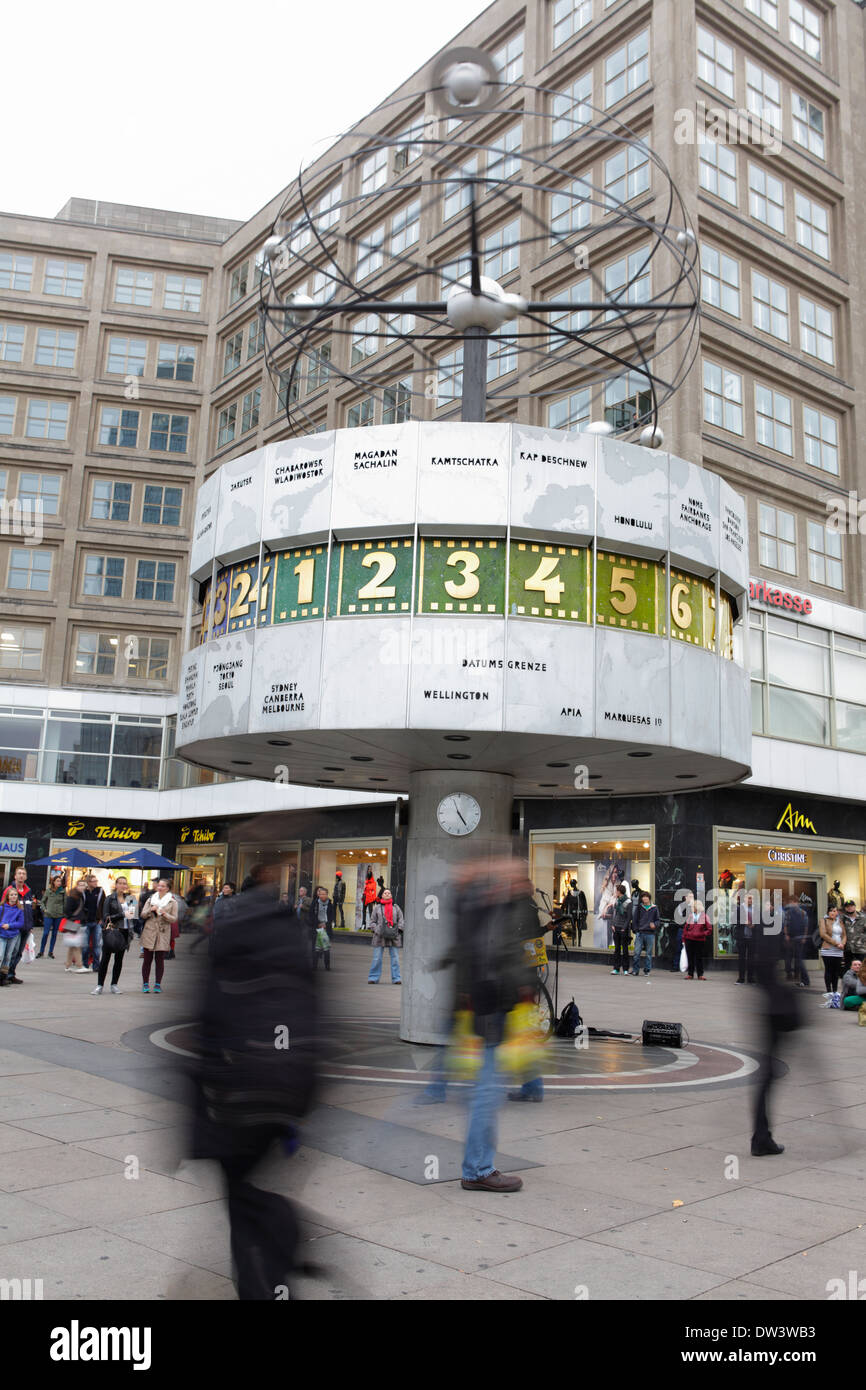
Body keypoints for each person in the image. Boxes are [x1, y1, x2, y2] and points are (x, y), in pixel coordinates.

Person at [189, 856, 317, 1299]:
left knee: (241, 1195)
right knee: (251, 1192)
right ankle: (274, 1269)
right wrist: (303, 1097)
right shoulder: (291, 934)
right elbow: (311, 1020)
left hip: (232, 1092)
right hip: (279, 1092)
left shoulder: (227, 935)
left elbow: (206, 1021)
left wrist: (196, 1107)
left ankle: (263, 1277)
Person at [457, 856, 534, 1193]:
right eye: (514, 874)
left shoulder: (492, 909)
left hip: (491, 1008)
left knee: (487, 1090)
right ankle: (477, 1170)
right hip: (490, 1009)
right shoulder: (492, 911)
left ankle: (478, 1166)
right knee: (487, 1093)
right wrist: (523, 984)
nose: (520, 880)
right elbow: (493, 960)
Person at [751, 898, 798, 1156]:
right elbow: (767, 971)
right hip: (773, 1009)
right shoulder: (769, 933)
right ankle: (761, 1137)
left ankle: (762, 1136)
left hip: (768, 1006)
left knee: (766, 1076)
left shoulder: (762, 932)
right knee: (767, 1076)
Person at [93, 876, 136, 995]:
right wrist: (122, 914)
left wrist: (130, 914)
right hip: (112, 931)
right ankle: (99, 985)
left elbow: (132, 916)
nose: (123, 885)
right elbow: (106, 917)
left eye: (124, 883)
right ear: (116, 885)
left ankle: (114, 984)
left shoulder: (131, 898)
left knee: (119, 960)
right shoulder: (109, 898)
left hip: (125, 931)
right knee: (105, 959)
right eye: (120, 883)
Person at [140, 879, 178, 993]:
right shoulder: (151, 899)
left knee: (159, 960)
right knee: (147, 960)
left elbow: (174, 919)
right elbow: (142, 914)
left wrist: (164, 913)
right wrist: (151, 910)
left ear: (167, 888)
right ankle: (145, 983)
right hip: (149, 931)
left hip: (162, 933)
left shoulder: (172, 902)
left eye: (162, 886)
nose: (159, 888)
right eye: (159, 886)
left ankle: (157, 984)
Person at [368, 889, 403, 984]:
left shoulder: (396, 908)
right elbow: (372, 922)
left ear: (391, 895)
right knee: (377, 958)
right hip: (379, 936)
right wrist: (378, 930)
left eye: (389, 893)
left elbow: (401, 920)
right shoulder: (377, 908)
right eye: (385, 893)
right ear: (381, 895)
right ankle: (373, 978)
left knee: (395, 958)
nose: (387, 894)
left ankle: (396, 979)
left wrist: (398, 930)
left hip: (393, 936)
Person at [819, 905, 846, 998]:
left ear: (837, 912)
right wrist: (836, 943)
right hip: (828, 949)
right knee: (828, 970)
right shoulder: (823, 920)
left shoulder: (840, 921)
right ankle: (828, 991)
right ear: (828, 912)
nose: (833, 913)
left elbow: (844, 935)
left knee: (836, 971)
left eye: (834, 911)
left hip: (839, 950)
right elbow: (823, 934)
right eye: (831, 911)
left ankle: (835, 991)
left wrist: (842, 943)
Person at [783, 895, 810, 988]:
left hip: (794, 938)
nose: (792, 904)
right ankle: (796, 975)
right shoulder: (803, 912)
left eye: (793, 902)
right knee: (796, 958)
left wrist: (786, 935)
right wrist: (804, 937)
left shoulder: (789, 912)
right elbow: (806, 926)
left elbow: (785, 925)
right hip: (797, 937)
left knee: (794, 958)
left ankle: (801, 978)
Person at [62, 879, 89, 973]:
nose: (82, 887)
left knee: (72, 945)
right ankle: (79, 965)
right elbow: (67, 910)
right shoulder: (72, 897)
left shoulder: (80, 896)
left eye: (84, 885)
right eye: (80, 885)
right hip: (74, 923)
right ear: (77, 886)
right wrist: (73, 918)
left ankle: (68, 965)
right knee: (76, 945)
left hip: (76, 922)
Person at [81, 873, 105, 974]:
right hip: (86, 922)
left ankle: (96, 965)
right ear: (88, 882)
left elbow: (103, 905)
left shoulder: (100, 891)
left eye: (96, 881)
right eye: (94, 881)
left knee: (97, 945)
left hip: (97, 921)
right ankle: (85, 964)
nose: (96, 883)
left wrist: (102, 919)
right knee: (85, 945)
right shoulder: (83, 892)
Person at [631, 890, 660, 975]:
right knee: (636, 953)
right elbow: (635, 919)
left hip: (650, 933)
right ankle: (635, 970)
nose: (645, 899)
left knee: (648, 953)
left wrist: (654, 925)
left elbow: (658, 920)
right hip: (640, 933)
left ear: (649, 898)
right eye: (643, 897)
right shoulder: (639, 907)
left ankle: (647, 970)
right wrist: (636, 930)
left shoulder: (654, 908)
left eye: (646, 897)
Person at [38, 873, 66, 959]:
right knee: (46, 933)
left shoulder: (63, 891)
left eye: (60, 881)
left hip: (58, 915)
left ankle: (50, 951)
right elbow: (42, 901)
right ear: (53, 882)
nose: (59, 883)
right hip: (48, 914)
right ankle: (41, 951)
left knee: (54, 933)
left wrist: (63, 912)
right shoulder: (48, 891)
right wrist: (44, 909)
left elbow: (65, 903)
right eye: (57, 881)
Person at [683, 900, 713, 980]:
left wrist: (703, 934)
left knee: (698, 957)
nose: (692, 908)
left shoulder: (705, 916)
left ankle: (700, 974)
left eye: (693, 906)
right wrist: (684, 938)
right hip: (689, 939)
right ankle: (690, 974)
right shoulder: (690, 916)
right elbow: (686, 928)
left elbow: (709, 929)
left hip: (699, 940)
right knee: (690, 957)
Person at [0, 889, 25, 984]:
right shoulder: (2, 908)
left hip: (13, 935)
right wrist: (3, 925)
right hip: (2, 934)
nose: (14, 896)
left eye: (15, 895)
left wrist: (10, 926)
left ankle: (3, 976)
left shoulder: (19, 909)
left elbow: (20, 923)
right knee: (1, 954)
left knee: (8, 956)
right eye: (11, 895)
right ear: (7, 896)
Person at [734, 891, 755, 984]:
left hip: (752, 937)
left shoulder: (755, 909)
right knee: (741, 958)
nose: (750, 900)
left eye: (752, 898)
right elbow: (734, 920)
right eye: (749, 898)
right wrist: (744, 922)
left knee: (751, 959)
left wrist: (755, 924)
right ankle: (741, 978)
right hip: (742, 937)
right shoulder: (739, 908)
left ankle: (750, 978)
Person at [311, 886, 334, 971]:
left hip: (325, 929)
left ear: (327, 895)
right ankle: (314, 966)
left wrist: (326, 924)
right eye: (321, 894)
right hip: (317, 928)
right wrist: (318, 924)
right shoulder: (315, 903)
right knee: (316, 949)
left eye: (324, 894)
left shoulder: (330, 904)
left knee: (326, 949)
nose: (322, 896)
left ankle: (327, 966)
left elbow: (332, 916)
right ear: (319, 895)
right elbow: (311, 915)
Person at [611, 883, 632, 975]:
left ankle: (625, 969)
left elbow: (629, 917)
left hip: (624, 928)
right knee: (617, 949)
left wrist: (624, 927)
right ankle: (616, 968)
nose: (616, 892)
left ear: (619, 892)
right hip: (616, 927)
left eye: (616, 891)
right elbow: (615, 914)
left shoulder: (628, 902)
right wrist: (613, 924)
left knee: (625, 949)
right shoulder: (617, 901)